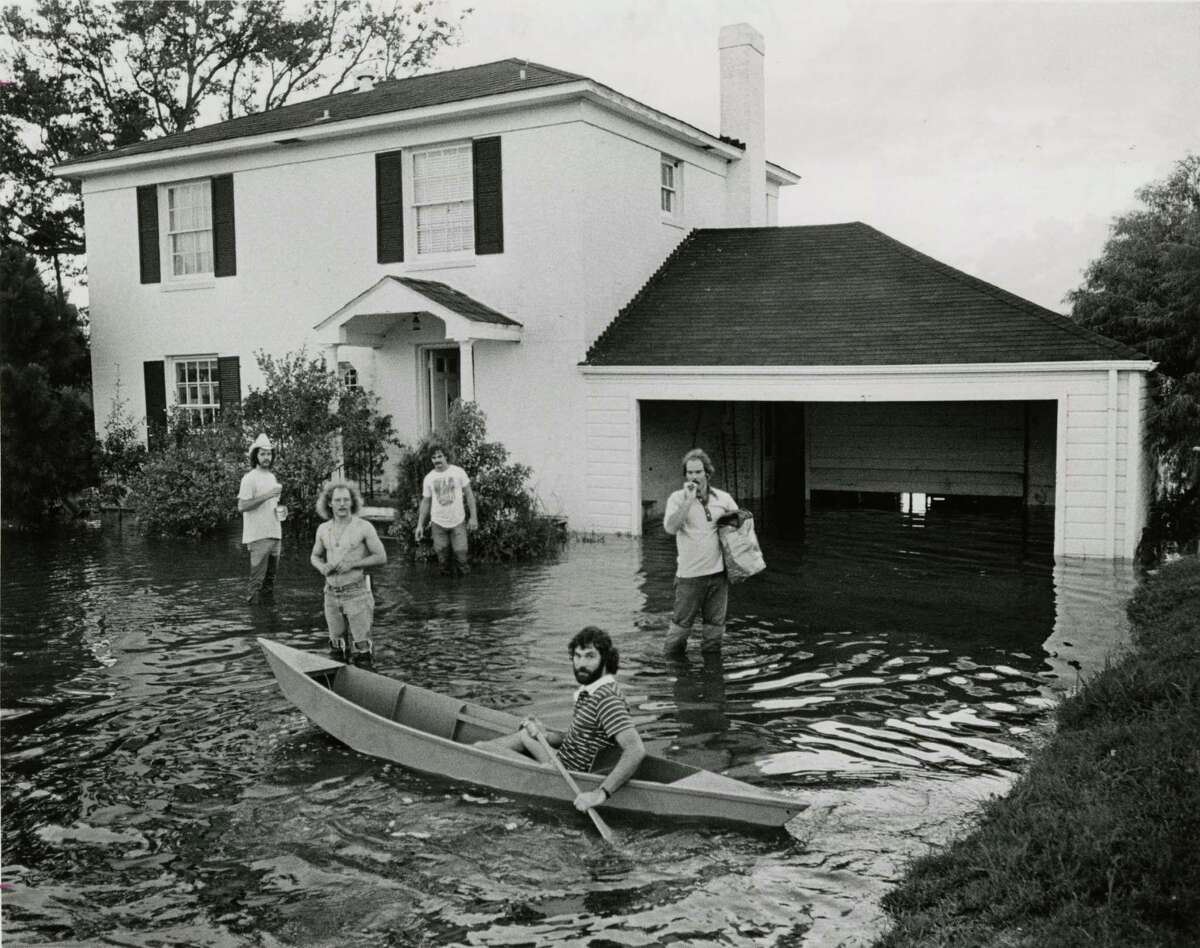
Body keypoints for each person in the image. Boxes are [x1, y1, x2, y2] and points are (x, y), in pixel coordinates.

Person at [478, 626, 646, 813]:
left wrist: (600, 793)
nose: (581, 663)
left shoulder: (607, 700)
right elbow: (579, 737)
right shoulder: (590, 692)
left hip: (566, 776)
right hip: (561, 761)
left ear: (605, 659)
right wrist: (546, 734)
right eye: (577, 656)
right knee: (527, 733)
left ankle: (468, 756)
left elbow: (635, 749)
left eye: (590, 656)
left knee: (480, 749)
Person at [662, 448, 739, 656]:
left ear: (707, 473)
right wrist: (689, 500)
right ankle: (674, 676)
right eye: (689, 473)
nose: (693, 477)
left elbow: (740, 528)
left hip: (718, 576)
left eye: (698, 472)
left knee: (714, 633)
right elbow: (670, 528)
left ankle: (713, 677)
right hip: (689, 577)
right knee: (678, 633)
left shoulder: (723, 498)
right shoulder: (677, 499)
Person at [311, 479, 387, 665]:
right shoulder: (323, 529)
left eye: (346, 499)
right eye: (338, 500)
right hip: (331, 594)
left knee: (362, 649)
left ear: (352, 501)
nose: (342, 504)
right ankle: (339, 687)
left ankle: (367, 683)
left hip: (357, 593)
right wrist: (322, 567)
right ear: (330, 503)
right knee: (336, 647)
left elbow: (381, 557)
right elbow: (314, 556)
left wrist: (354, 564)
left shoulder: (363, 527)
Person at [413, 443, 478, 575]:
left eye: (440, 456)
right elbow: (425, 502)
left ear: (446, 457)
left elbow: (470, 495)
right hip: (438, 524)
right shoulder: (429, 478)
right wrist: (420, 525)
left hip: (458, 522)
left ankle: (464, 593)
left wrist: (473, 517)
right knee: (443, 562)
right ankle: (446, 594)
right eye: (434, 457)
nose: (437, 460)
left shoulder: (458, 472)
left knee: (461, 558)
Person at [238, 433, 286, 604]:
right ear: (255, 456)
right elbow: (242, 506)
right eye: (263, 454)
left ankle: (268, 619)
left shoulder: (272, 477)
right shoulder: (249, 478)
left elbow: (271, 505)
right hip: (258, 536)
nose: (267, 457)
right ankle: (256, 623)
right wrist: (267, 496)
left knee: (270, 582)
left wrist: (281, 511)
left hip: (275, 533)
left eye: (269, 454)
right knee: (256, 582)